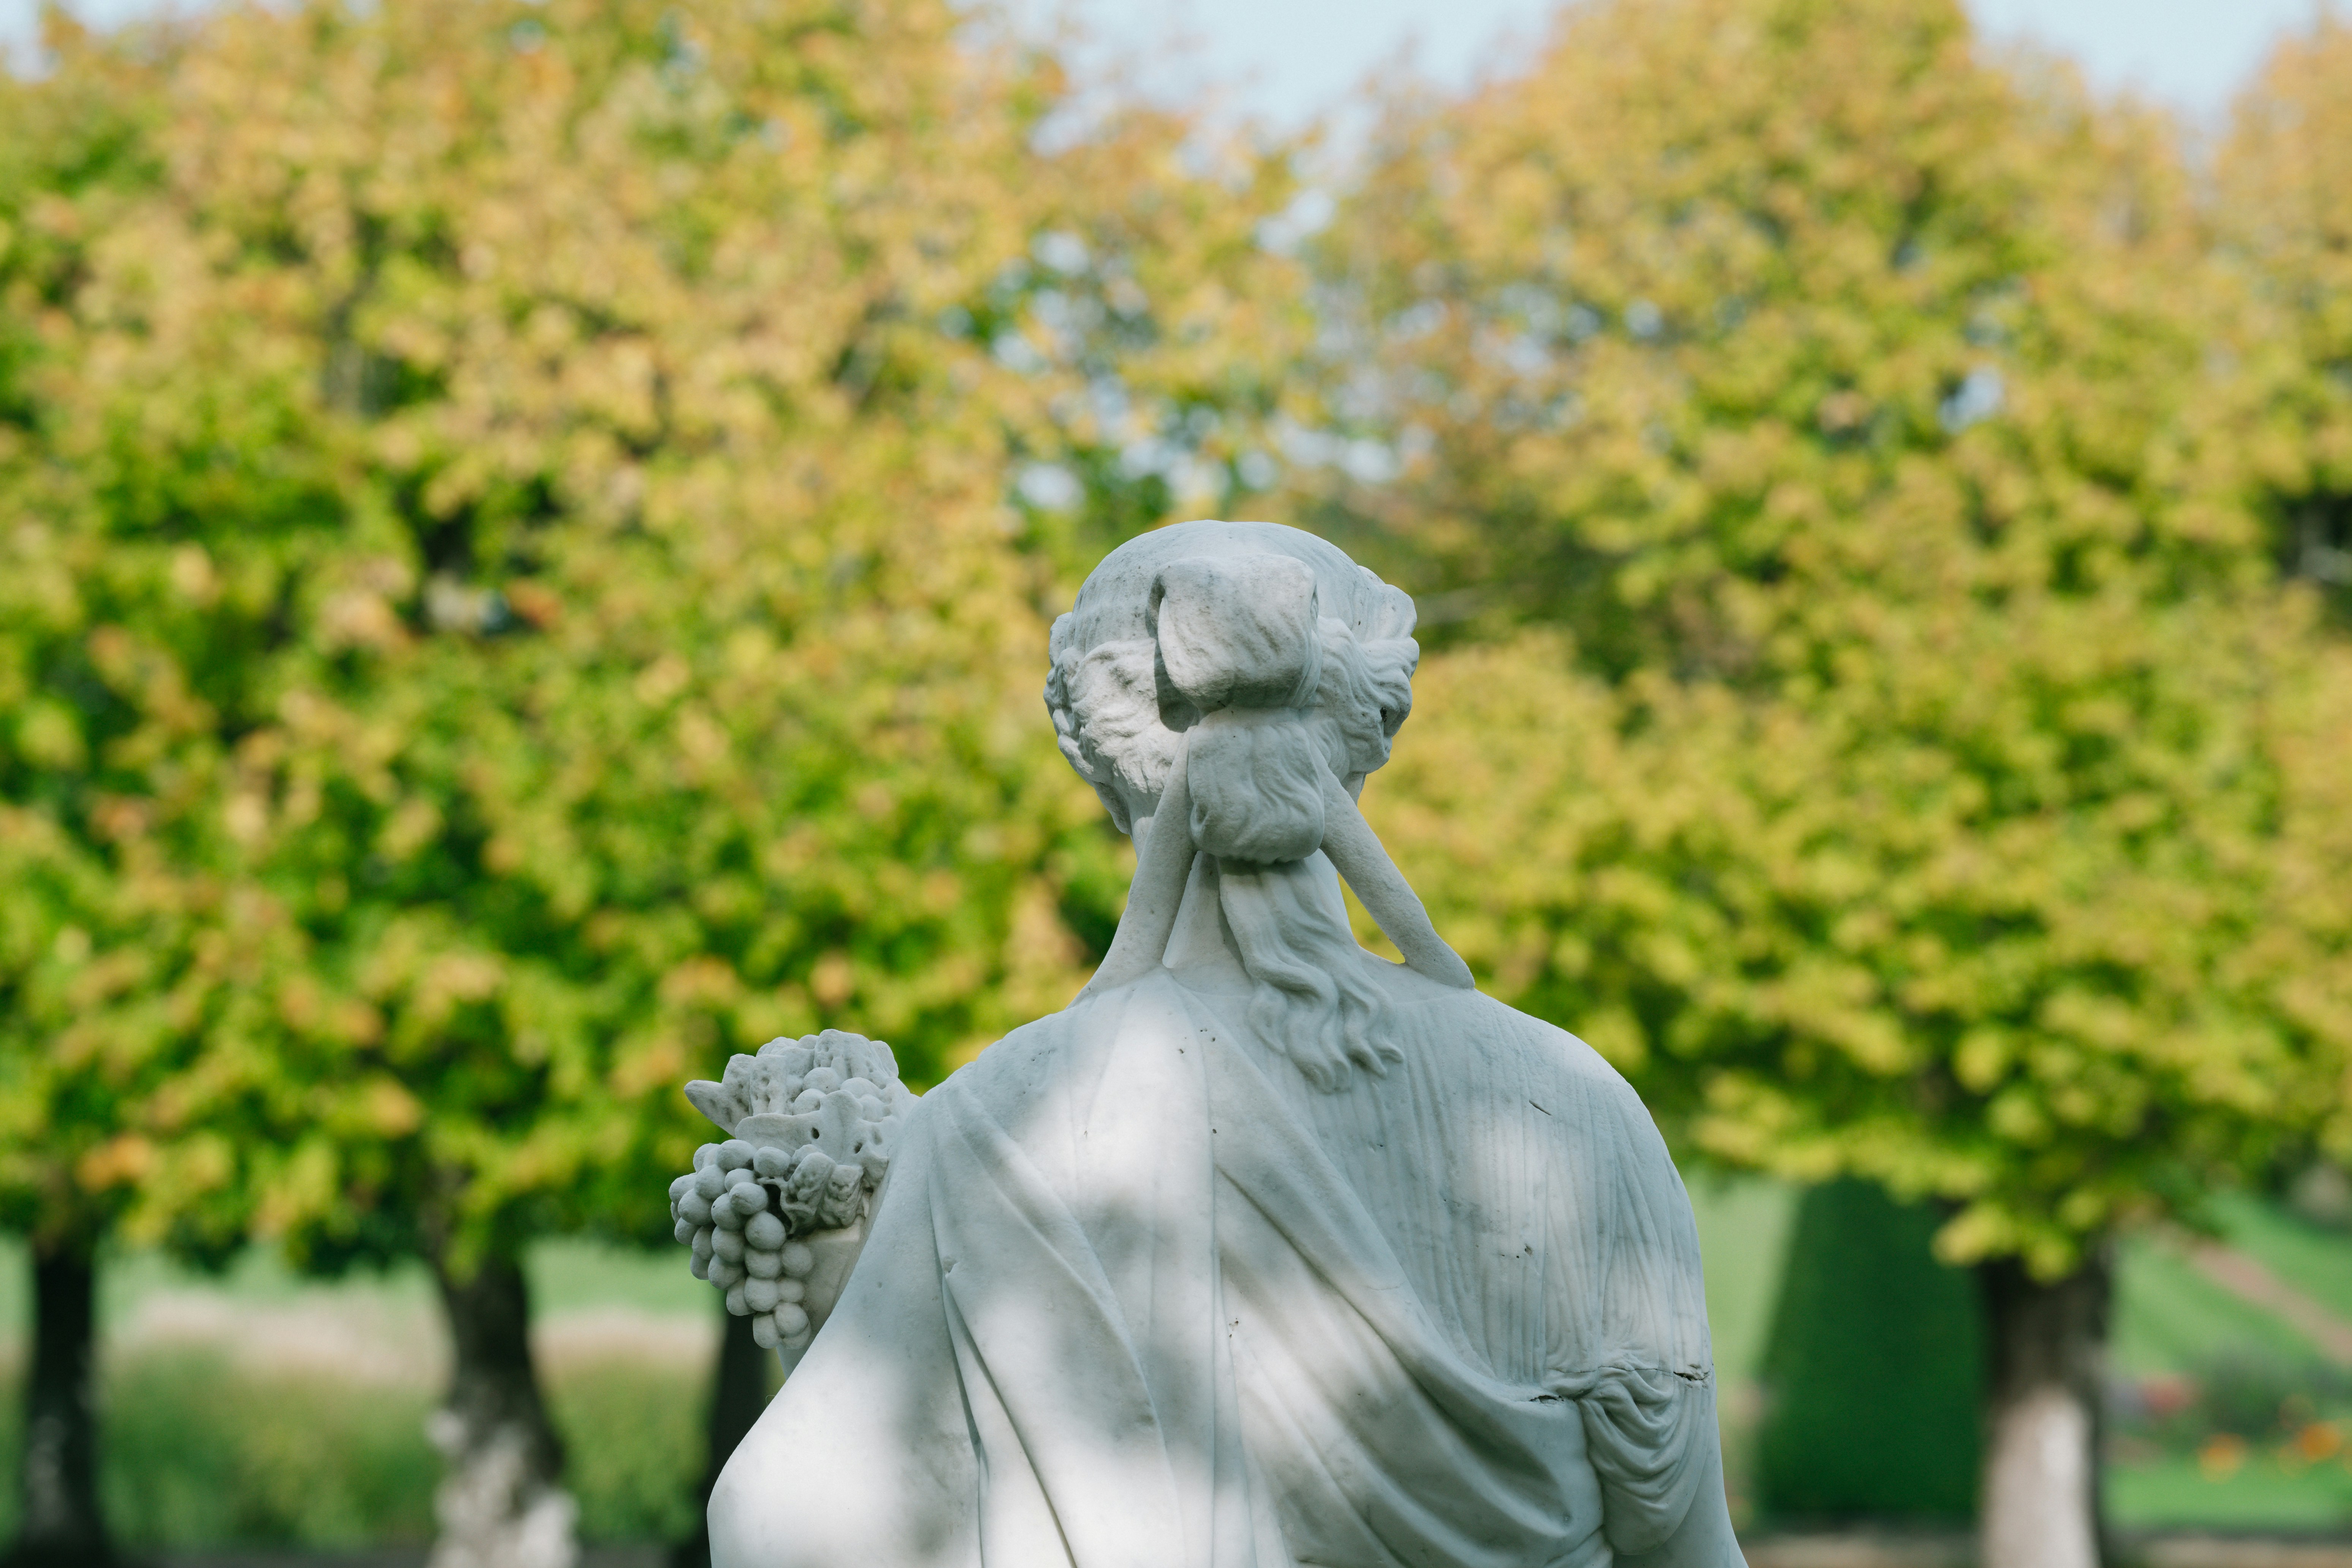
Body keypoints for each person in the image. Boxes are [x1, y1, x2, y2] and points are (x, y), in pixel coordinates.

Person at [710, 521, 1746, 1568]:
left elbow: (787, 1524)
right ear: (1369, 723)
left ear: (1092, 745)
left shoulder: (1003, 1117)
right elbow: (1684, 1543)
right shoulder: (1570, 1103)